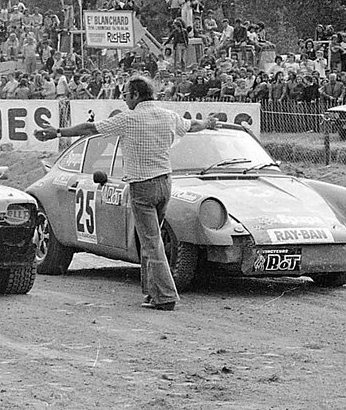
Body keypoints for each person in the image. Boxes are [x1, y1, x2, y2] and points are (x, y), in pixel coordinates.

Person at [34, 75, 218, 311]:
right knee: (151, 240)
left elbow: (90, 128)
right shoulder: (168, 116)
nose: (124, 99)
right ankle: (152, 292)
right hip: (165, 183)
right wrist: (208, 123)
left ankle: (165, 296)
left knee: (151, 242)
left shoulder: (128, 119)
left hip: (142, 185)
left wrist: (58, 131)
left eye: (125, 94)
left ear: (136, 95)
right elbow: (192, 125)